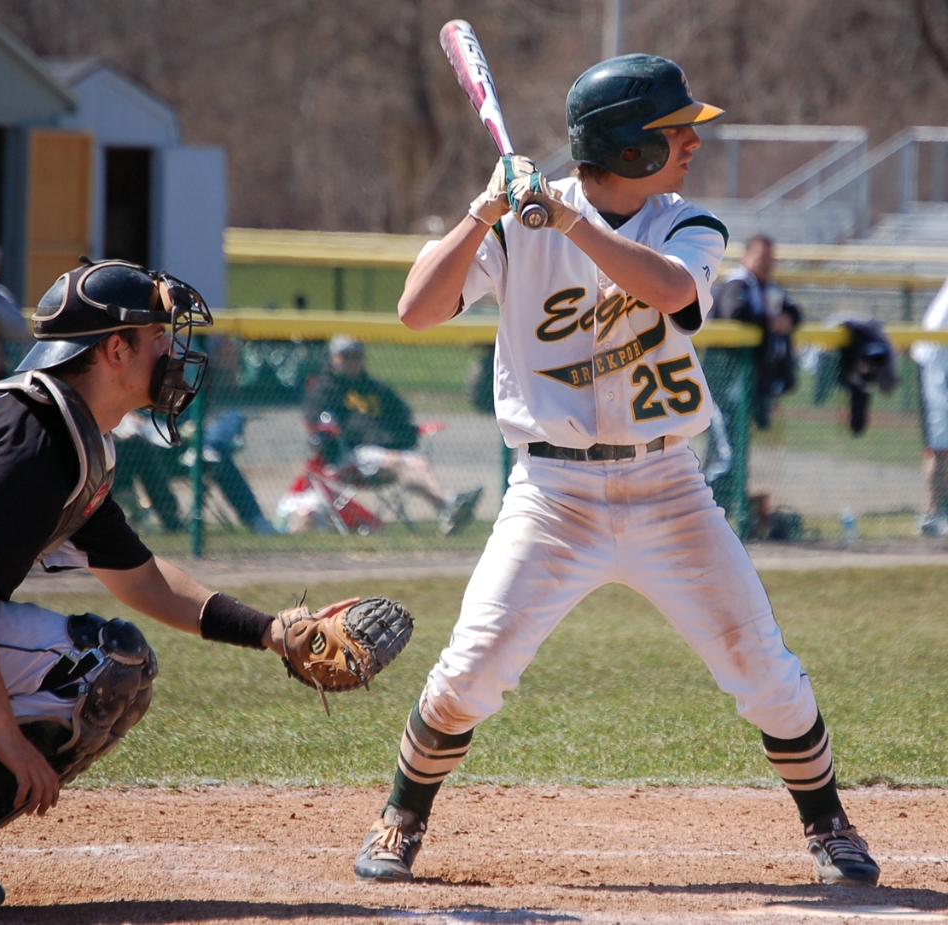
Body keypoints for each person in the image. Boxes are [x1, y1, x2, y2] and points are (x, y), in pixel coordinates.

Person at [352, 54, 879, 888]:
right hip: (553, 496)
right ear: (630, 148)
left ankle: (829, 824)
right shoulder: (517, 220)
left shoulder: (684, 222)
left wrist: (562, 224)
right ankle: (401, 815)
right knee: (472, 667)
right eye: (675, 132)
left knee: (759, 662)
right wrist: (483, 212)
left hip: (669, 488)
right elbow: (415, 308)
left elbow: (671, 291)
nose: (691, 144)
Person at [0, 258, 356, 910]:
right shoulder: (35, 435)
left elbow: (143, 579)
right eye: (159, 338)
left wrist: (270, 630)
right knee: (103, 667)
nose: (173, 352)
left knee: (117, 666)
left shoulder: (64, 432)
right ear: (115, 349)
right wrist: (4, 732)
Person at [303, 335, 482, 536]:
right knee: (400, 463)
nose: (352, 362)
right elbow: (316, 424)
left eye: (357, 356)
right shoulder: (324, 390)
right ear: (333, 358)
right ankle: (449, 507)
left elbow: (402, 415)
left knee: (418, 462)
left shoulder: (375, 388)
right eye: (345, 356)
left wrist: (399, 437)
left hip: (384, 455)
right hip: (349, 458)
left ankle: (448, 507)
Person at [713, 234, 801, 429]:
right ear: (746, 257)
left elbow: (794, 311)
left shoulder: (769, 286)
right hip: (727, 367)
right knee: (727, 426)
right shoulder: (736, 283)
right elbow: (734, 313)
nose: (767, 264)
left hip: (756, 369)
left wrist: (786, 319)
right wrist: (769, 322)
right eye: (762, 257)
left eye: (770, 258)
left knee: (743, 427)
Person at [912, 275, 948, 536]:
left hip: (938, 369)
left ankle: (935, 511)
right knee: (940, 446)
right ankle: (931, 512)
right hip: (936, 371)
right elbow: (932, 331)